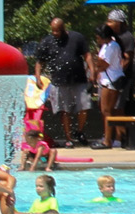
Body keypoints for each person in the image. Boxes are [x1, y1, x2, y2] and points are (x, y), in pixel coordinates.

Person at [34, 15, 95, 148]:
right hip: (59, 82)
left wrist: (92, 71)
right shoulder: (47, 41)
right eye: (53, 31)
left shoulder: (77, 38)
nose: (55, 33)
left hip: (78, 80)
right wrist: (37, 77)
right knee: (64, 110)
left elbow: (87, 55)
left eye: (57, 31)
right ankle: (69, 138)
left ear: (63, 29)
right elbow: (39, 61)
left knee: (84, 107)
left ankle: (79, 131)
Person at [94, 23, 126, 147]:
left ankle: (107, 140)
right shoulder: (106, 46)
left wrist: (97, 63)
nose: (97, 40)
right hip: (106, 81)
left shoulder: (111, 47)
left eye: (97, 37)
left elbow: (104, 65)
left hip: (110, 82)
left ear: (102, 36)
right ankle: (110, 137)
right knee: (107, 110)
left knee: (107, 110)